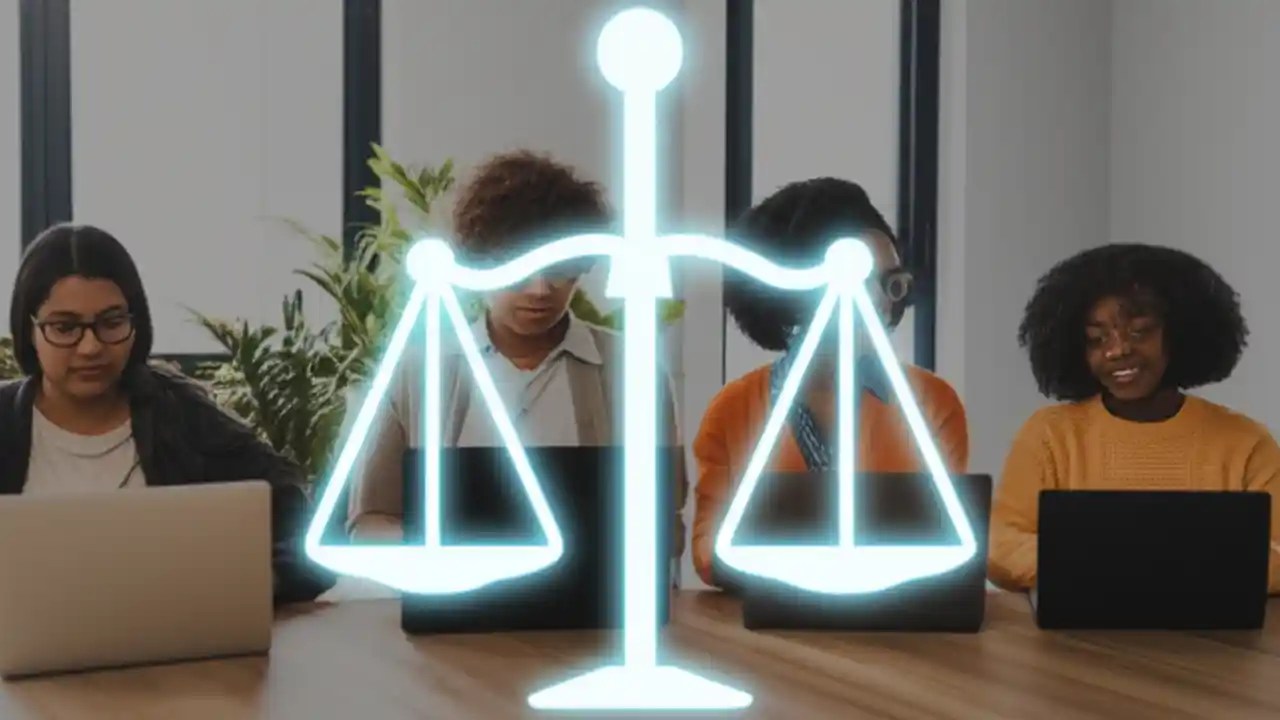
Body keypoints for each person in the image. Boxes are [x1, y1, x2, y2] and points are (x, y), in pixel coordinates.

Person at [346, 150, 687, 559]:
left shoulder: (632, 372)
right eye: (519, 270)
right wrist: (442, 558)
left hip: (590, 614)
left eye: (560, 269)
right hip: (453, 609)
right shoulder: (420, 371)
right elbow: (369, 522)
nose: (540, 290)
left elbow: (666, 529)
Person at [0, 223, 334, 605]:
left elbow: (311, 529)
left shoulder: (182, 416)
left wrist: (257, 581)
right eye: (65, 327)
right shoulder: (5, 424)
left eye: (111, 323)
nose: (91, 347)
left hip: (172, 656)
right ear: (29, 331)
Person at [691, 177, 969, 589]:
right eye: (857, 280)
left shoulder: (932, 403)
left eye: (890, 284)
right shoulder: (733, 409)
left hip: (899, 629)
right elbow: (709, 555)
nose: (879, 301)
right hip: (772, 629)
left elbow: (943, 545)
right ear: (791, 290)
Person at [989, 243, 1280, 593]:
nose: (1117, 350)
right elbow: (1000, 546)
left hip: (1216, 643)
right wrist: (1132, 567)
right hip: (1075, 642)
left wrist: (1132, 566)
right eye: (1097, 339)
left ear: (1178, 334)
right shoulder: (1050, 435)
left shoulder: (1246, 443)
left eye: (1139, 332)